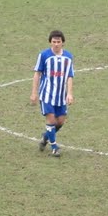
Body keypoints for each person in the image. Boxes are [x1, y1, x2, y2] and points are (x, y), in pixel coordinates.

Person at [30, 29, 74, 158]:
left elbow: (70, 76)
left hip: (61, 96)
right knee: (50, 119)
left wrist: (70, 93)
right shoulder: (44, 55)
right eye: (54, 42)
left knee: (60, 122)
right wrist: (34, 93)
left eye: (58, 42)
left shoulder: (68, 57)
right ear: (50, 43)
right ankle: (54, 147)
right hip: (46, 94)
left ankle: (46, 136)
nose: (56, 44)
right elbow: (37, 74)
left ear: (62, 43)